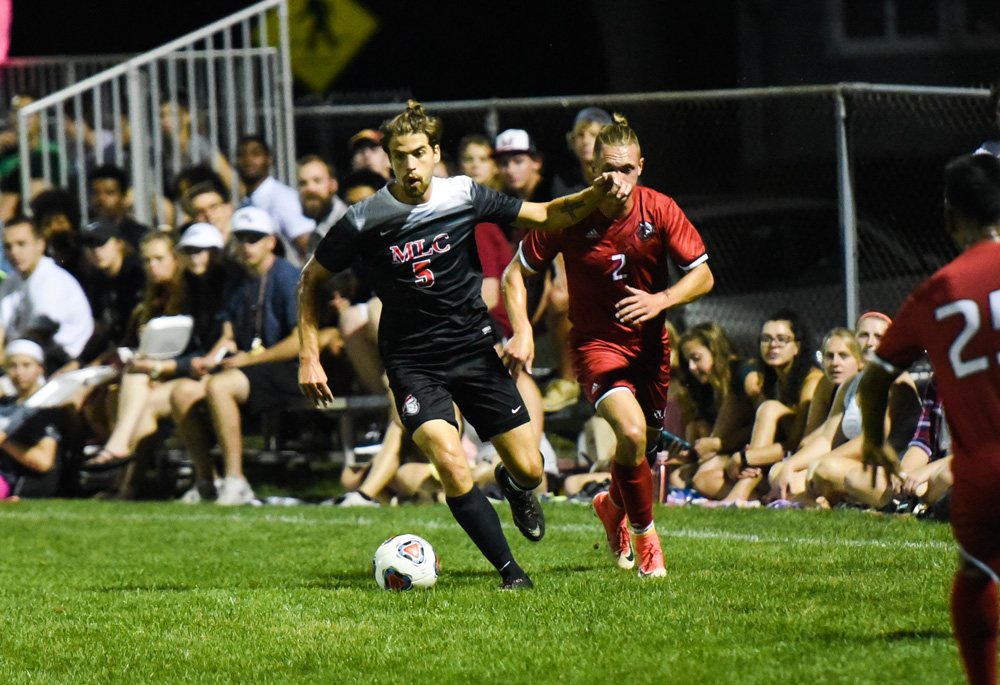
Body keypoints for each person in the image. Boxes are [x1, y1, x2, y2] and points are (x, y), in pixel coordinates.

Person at [298, 100, 631, 590]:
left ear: (435, 153)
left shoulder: (463, 194)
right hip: (413, 363)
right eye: (398, 156)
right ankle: (511, 572)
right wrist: (309, 356)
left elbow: (544, 213)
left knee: (531, 467)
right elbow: (310, 280)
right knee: (451, 462)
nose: (409, 166)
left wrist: (594, 195)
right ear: (389, 159)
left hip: (474, 351)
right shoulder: (366, 218)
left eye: (417, 153)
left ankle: (514, 487)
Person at [503, 113, 714, 578]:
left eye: (626, 170)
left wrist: (662, 298)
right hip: (597, 346)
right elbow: (514, 273)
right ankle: (646, 543)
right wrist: (522, 328)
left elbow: (703, 274)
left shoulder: (659, 209)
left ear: (641, 166)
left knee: (644, 444)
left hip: (651, 347)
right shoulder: (569, 214)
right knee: (633, 434)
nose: (616, 180)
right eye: (607, 170)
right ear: (591, 167)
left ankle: (611, 507)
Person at [859, 153, 1000, 685]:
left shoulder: (936, 291)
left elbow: (873, 379)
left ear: (949, 217)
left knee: (977, 574)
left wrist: (874, 439)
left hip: (982, 474)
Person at [170, 207, 327, 506]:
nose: (247, 245)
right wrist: (214, 358)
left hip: (288, 368)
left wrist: (250, 360)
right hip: (247, 366)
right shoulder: (237, 280)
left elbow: (301, 341)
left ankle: (236, 479)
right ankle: (206, 480)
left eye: (254, 238)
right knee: (182, 392)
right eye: (241, 238)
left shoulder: (287, 276)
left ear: (270, 241)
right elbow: (228, 335)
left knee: (220, 386)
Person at [691, 309, 824, 503]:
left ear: (797, 346)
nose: (773, 345)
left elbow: (797, 444)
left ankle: (740, 495)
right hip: (770, 461)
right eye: (766, 339)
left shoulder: (811, 381)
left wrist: (747, 458)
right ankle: (760, 500)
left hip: (799, 463)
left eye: (782, 339)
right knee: (703, 480)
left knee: (770, 408)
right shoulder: (769, 380)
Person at [669, 321, 757, 490]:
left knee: (702, 476)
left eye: (696, 358)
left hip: (749, 451)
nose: (692, 367)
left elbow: (759, 426)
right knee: (677, 478)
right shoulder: (705, 388)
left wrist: (717, 444)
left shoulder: (744, 375)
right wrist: (692, 452)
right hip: (725, 451)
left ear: (715, 351)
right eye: (688, 361)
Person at [0, 215, 94, 362]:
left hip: (62, 363)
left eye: (21, 244)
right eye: (8, 246)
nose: (14, 252)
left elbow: (38, 336)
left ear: (40, 244)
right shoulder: (13, 281)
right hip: (26, 362)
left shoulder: (52, 281)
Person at [0, 339, 70, 500]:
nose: (19, 373)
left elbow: (44, 462)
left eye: (26, 365)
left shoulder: (45, 410)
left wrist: (5, 443)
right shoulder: (4, 405)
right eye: (13, 366)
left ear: (40, 368)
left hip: (15, 479)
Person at [236, 134, 314, 266]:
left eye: (256, 154)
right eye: (242, 155)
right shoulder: (247, 202)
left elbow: (308, 245)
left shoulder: (282, 198)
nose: (248, 160)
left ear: (269, 159)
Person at [552, 106, 614, 197]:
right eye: (580, 135)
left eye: (593, 135)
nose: (585, 141)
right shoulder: (564, 183)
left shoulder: (622, 177)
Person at [89, 165, 150, 250]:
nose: (101, 199)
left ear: (125, 197)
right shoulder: (88, 234)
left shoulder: (141, 236)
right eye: (96, 193)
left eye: (109, 193)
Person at [298, 155, 349, 255]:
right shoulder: (317, 233)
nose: (310, 189)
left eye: (317, 181)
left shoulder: (348, 228)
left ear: (333, 185)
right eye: (303, 183)